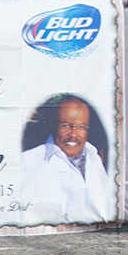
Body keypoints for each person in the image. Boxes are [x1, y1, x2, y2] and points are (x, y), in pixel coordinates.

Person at [21, 95, 113, 223]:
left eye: (81, 127)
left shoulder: (93, 157)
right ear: (54, 126)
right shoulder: (28, 161)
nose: (73, 134)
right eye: (65, 126)